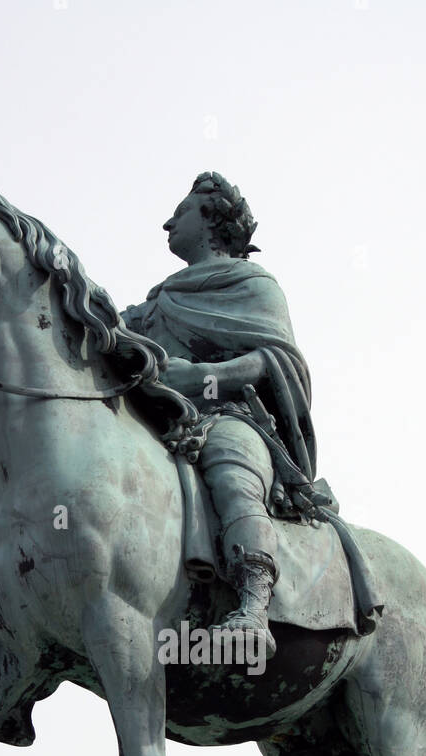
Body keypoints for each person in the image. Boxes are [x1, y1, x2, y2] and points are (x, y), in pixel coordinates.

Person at [121, 172, 326, 658]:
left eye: (182, 211)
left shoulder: (252, 284)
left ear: (211, 218)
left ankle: (254, 609)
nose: (168, 222)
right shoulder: (158, 302)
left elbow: (279, 362)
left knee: (233, 468)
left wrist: (206, 375)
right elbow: (110, 335)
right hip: (159, 421)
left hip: (230, 416)